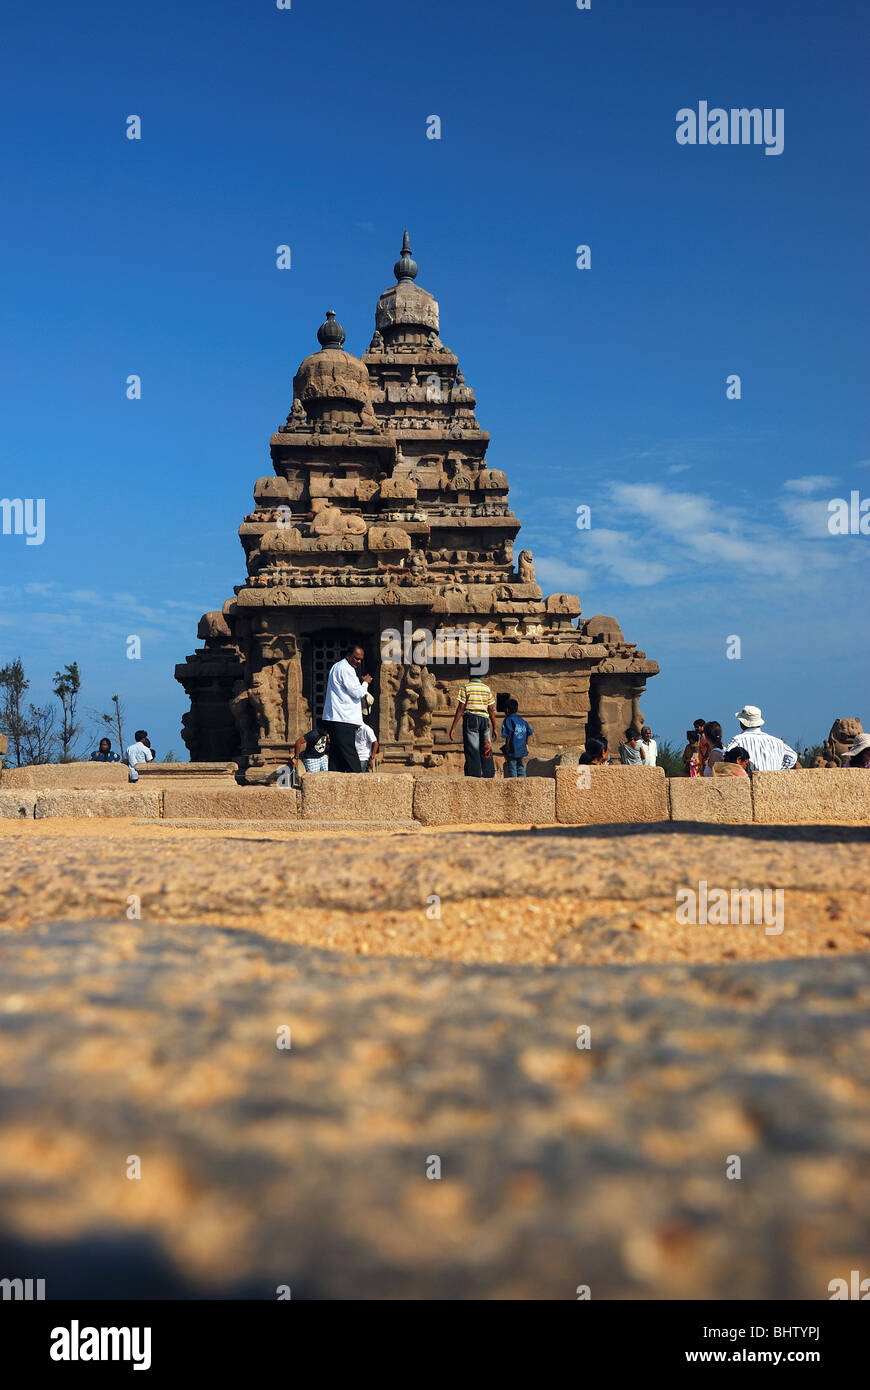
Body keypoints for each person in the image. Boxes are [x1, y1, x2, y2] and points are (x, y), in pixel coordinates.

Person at [322, 644, 373, 773]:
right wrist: (365, 682)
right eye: (356, 658)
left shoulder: (337, 666)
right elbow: (357, 693)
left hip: (336, 717)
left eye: (361, 659)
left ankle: (333, 782)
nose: (359, 662)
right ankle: (359, 784)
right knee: (350, 754)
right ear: (348, 655)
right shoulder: (346, 669)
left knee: (336, 756)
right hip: (343, 718)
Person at [449, 674, 497, 778]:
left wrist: (453, 727)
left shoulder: (466, 687)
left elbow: (461, 707)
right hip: (484, 720)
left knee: (472, 748)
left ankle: (473, 775)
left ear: (469, 673)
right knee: (486, 747)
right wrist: (495, 727)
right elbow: (491, 709)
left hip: (471, 719)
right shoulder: (486, 689)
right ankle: (488, 774)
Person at [726, 705, 798, 771]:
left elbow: (725, 755)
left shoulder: (738, 740)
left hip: (751, 781)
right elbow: (793, 756)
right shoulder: (777, 742)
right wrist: (779, 770)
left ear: (742, 722)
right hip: (773, 781)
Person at [500, 698, 533, 778]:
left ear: (507, 710)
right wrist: (527, 744)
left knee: (512, 767)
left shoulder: (508, 720)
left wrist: (507, 746)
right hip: (521, 748)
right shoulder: (522, 721)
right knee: (520, 766)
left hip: (512, 748)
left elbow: (509, 735)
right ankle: (523, 782)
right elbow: (529, 732)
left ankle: (514, 784)